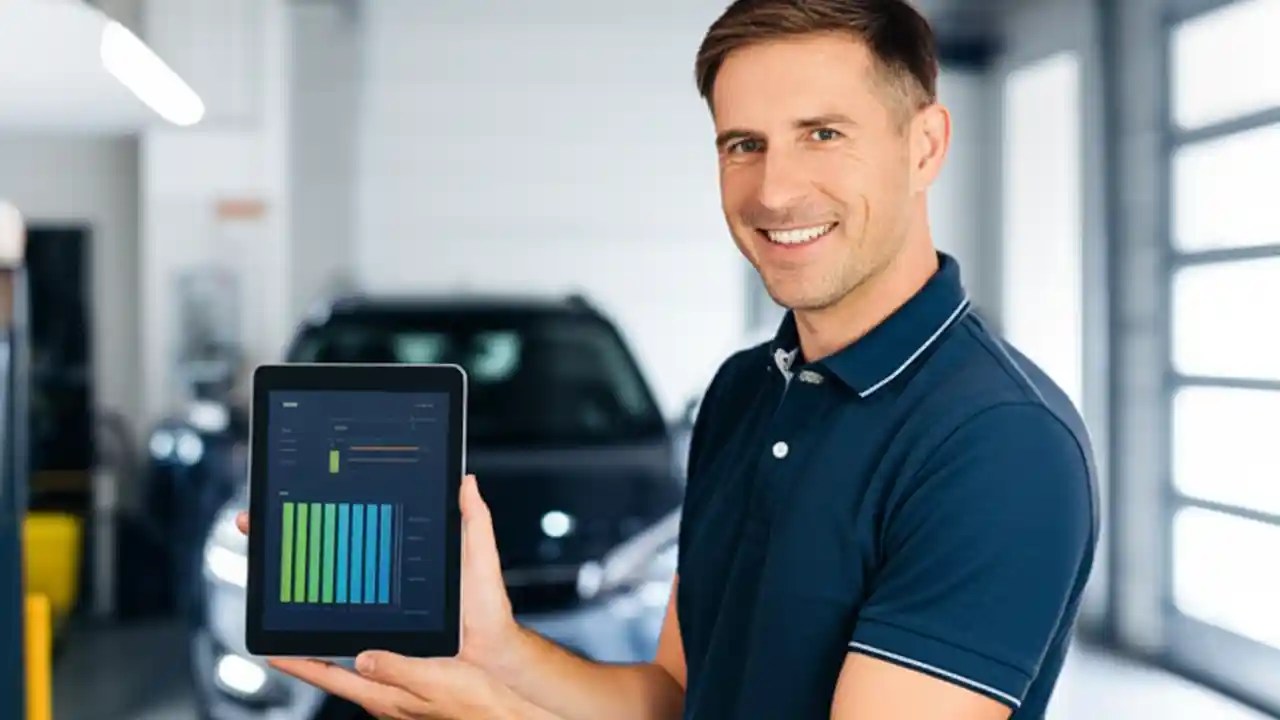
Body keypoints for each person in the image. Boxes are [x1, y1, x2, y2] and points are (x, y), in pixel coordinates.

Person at [238, 0, 1098, 717]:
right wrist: (495, 646)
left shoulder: (998, 444)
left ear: (925, 146)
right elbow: (676, 695)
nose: (774, 189)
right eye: (743, 143)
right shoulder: (743, 393)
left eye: (824, 133)